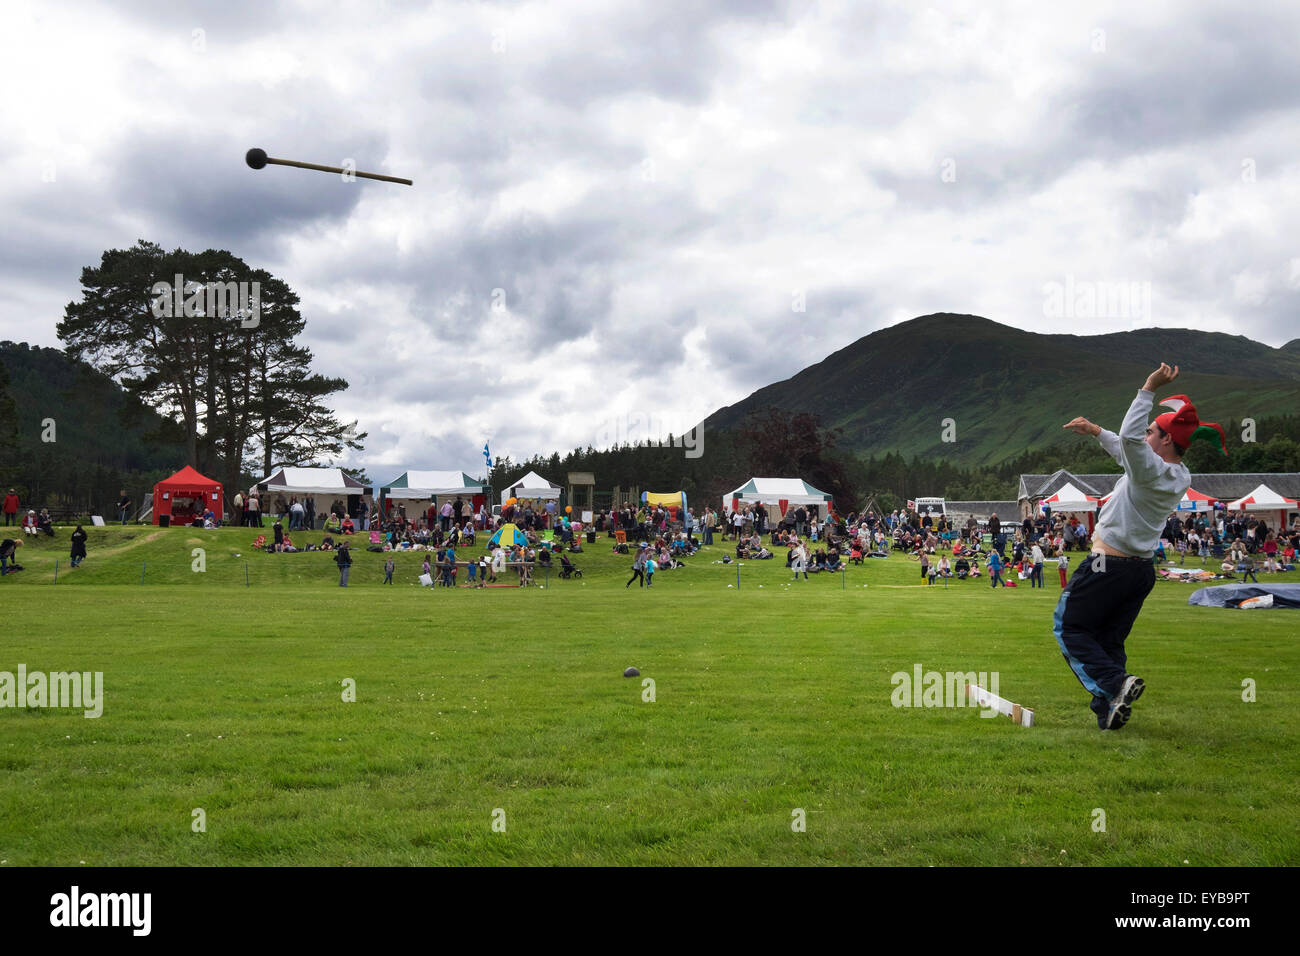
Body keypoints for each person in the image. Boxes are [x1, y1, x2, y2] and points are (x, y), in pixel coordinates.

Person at [1058, 364, 1226, 730]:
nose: (1147, 434)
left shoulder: (1148, 468)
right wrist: (1097, 431)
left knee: (1069, 628)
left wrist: (1148, 388)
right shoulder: (1179, 475)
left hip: (1107, 564)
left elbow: (1132, 442)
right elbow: (1129, 450)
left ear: (1166, 440)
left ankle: (1116, 684)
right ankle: (1110, 711)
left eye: (1154, 431)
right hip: (1139, 571)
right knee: (1109, 641)